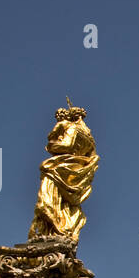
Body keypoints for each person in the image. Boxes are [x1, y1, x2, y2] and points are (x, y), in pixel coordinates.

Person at [29, 100, 99, 243]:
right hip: (72, 171)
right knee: (63, 205)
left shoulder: (73, 129)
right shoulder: (88, 137)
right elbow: (92, 157)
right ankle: (56, 229)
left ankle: (53, 228)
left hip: (60, 169)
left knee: (46, 201)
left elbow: (66, 145)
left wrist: (52, 145)